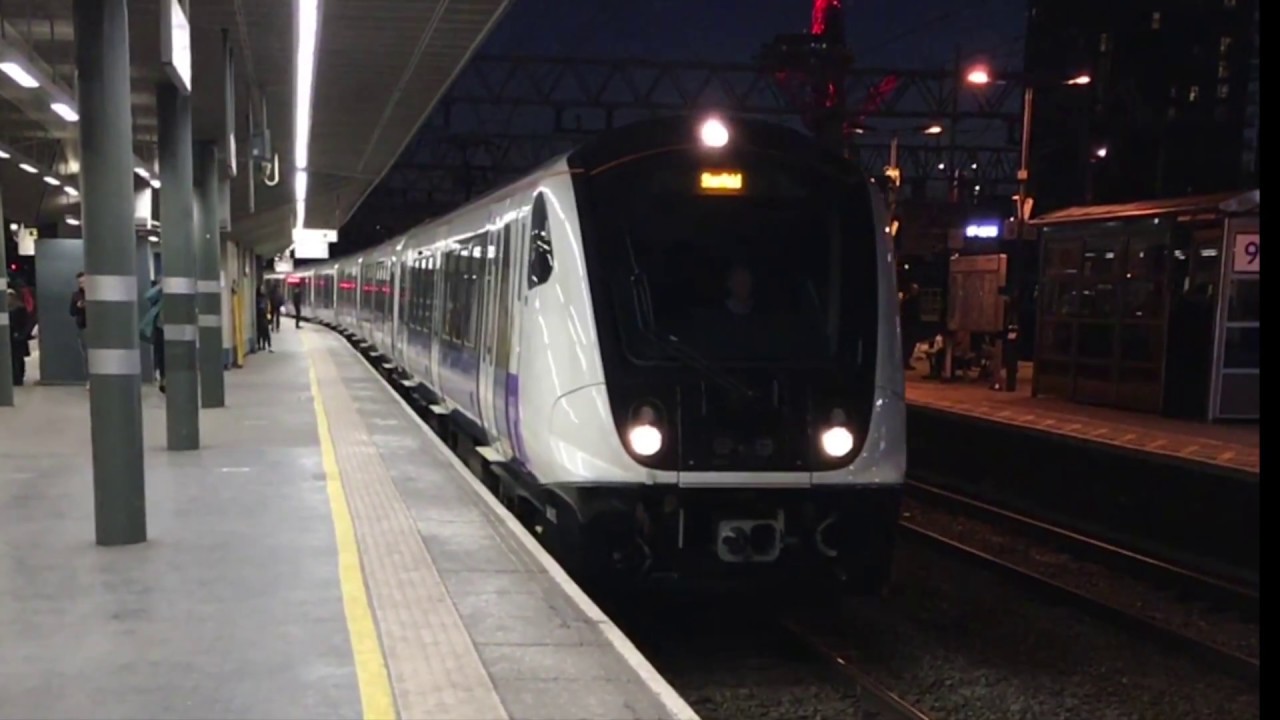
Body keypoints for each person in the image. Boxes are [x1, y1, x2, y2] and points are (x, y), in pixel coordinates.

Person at [140, 280, 166, 392]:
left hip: (177, 328)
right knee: (161, 354)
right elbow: (148, 296)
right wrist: (160, 286)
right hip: (161, 327)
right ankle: (163, 379)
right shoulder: (161, 294)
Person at [7, 289, 30, 386]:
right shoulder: (19, 307)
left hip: (17, 337)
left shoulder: (18, 308)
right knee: (17, 358)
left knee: (16, 358)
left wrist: (21, 334)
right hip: (16, 337)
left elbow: (25, 323)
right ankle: (17, 377)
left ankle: (17, 377)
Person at [69, 271, 88, 387]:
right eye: (80, 282)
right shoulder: (76, 296)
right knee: (87, 355)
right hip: (84, 326)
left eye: (84, 282)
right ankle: (90, 379)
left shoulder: (97, 293)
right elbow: (71, 312)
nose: (82, 284)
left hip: (98, 328)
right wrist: (79, 307)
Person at [255, 283, 273, 352]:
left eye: (263, 289)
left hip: (264, 316)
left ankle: (268, 345)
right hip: (259, 317)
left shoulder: (265, 298)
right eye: (261, 289)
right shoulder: (258, 298)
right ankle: (260, 345)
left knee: (266, 331)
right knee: (260, 332)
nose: (263, 290)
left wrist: (269, 316)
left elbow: (268, 307)